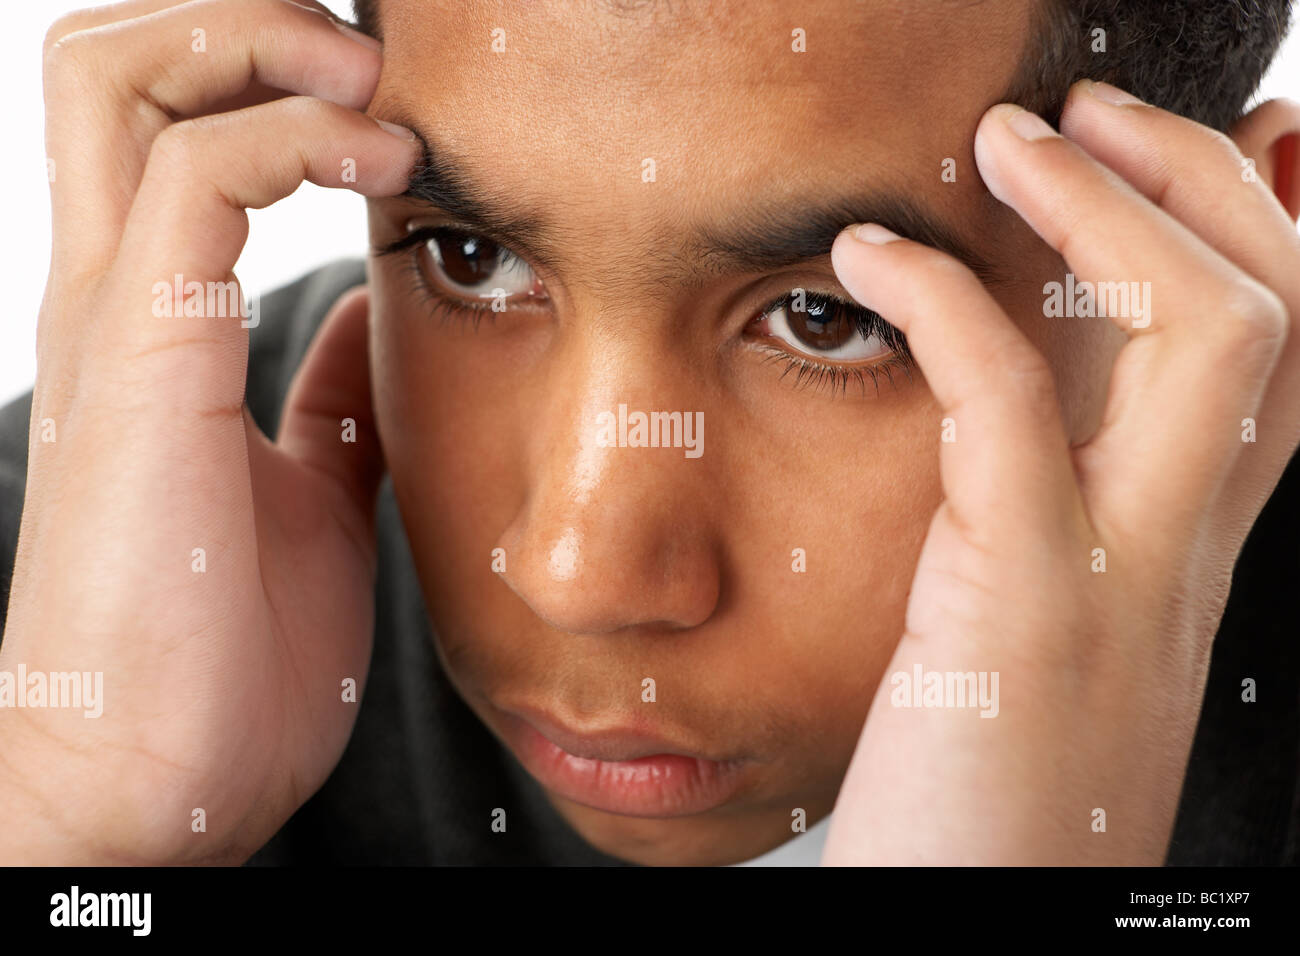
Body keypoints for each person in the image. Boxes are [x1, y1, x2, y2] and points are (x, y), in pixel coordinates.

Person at [1, 0, 1298, 866]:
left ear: (1241, 244)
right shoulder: (76, 590)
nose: (579, 575)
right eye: (469, 258)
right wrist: (77, 829)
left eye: (825, 319)